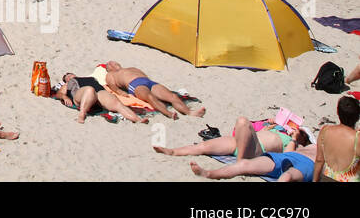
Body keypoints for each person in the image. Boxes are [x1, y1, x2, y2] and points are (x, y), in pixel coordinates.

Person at [155, 114, 308, 159]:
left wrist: (294, 139)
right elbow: (255, 130)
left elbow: (287, 158)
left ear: (304, 140)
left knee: (242, 121)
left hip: (256, 150)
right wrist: (269, 124)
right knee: (203, 147)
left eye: (301, 133)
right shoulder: (276, 130)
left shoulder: (294, 144)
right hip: (240, 143)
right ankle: (173, 151)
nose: (297, 131)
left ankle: (241, 162)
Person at [101, 61, 204, 118]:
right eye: (109, 64)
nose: (112, 63)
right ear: (108, 69)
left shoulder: (131, 68)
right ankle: (168, 113)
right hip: (135, 85)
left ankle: (190, 112)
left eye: (114, 62)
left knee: (172, 96)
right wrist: (122, 93)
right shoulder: (111, 75)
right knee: (149, 97)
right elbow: (113, 87)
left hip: (149, 82)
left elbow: (145, 75)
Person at [55, 72, 143, 124]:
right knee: (90, 90)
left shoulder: (90, 78)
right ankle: (82, 114)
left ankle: (137, 119)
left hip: (98, 93)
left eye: (71, 74)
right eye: (67, 77)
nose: (70, 76)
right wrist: (64, 97)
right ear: (66, 80)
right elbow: (59, 94)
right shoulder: (68, 84)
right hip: (80, 95)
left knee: (116, 103)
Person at [313, 95, 360, 182]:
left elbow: (319, 160)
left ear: (338, 113)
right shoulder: (357, 138)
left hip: (326, 179)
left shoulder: (325, 130)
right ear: (357, 117)